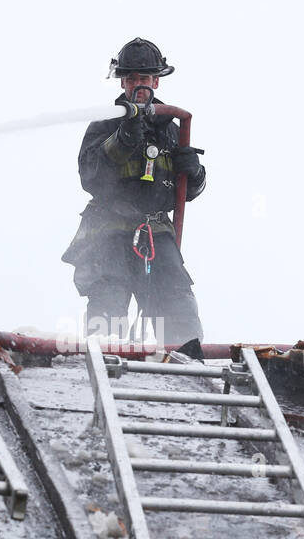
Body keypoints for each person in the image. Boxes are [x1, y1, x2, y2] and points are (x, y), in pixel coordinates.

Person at [62, 37, 206, 351]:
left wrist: (193, 172)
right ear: (122, 82)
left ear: (156, 80)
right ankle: (103, 358)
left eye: (143, 79)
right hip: (108, 230)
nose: (138, 86)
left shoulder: (171, 125)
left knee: (175, 295)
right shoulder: (105, 121)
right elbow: (90, 176)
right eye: (131, 80)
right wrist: (123, 139)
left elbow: (186, 191)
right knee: (108, 296)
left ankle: (188, 361)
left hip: (155, 231)